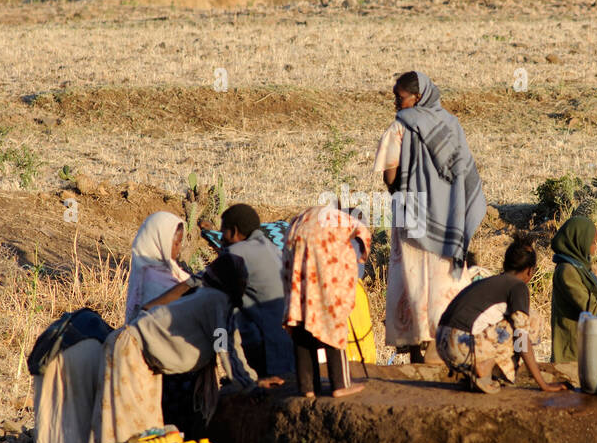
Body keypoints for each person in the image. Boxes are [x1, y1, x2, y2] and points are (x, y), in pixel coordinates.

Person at [84, 252, 259, 443]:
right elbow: (225, 347)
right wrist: (251, 384)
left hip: (136, 352)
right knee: (128, 427)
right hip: (131, 351)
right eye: (243, 279)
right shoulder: (215, 301)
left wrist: (248, 379)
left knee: (143, 425)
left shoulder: (207, 295)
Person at [375, 71, 486, 363]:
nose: (395, 104)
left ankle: (415, 352)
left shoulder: (399, 127)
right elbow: (463, 171)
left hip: (410, 217)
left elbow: (389, 175)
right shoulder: (451, 125)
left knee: (411, 282)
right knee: (442, 283)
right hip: (446, 221)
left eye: (400, 98)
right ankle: (441, 348)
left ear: (418, 96)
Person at [148, 204, 291, 382]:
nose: (221, 239)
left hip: (268, 348)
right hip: (287, 342)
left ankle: (243, 378)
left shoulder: (235, 256)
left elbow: (189, 286)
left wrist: (148, 308)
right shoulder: (271, 248)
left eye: (223, 232)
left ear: (234, 232)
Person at [436, 237, 568, 394]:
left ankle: (478, 370)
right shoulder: (518, 287)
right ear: (530, 270)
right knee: (531, 320)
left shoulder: (489, 282)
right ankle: (486, 367)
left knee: (513, 322)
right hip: (461, 345)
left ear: (506, 264)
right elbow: (521, 338)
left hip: (442, 343)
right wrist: (543, 384)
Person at [28, 308, 112, 443]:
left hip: (47, 357)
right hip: (82, 354)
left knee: (56, 429)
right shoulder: (110, 341)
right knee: (77, 430)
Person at [283, 204, 371, 398]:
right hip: (322, 248)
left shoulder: (312, 214)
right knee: (333, 316)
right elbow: (353, 251)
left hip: (293, 239)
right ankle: (340, 384)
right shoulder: (356, 227)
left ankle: (307, 387)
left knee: (301, 314)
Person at [550, 215, 597, 363]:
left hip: (584, 350)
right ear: (579, 241)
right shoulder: (567, 271)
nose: (595, 247)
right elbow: (592, 309)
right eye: (592, 242)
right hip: (570, 356)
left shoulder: (580, 268)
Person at [124, 212, 188, 324]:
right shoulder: (151, 279)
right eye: (176, 244)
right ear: (161, 242)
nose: (179, 250)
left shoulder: (169, 270)